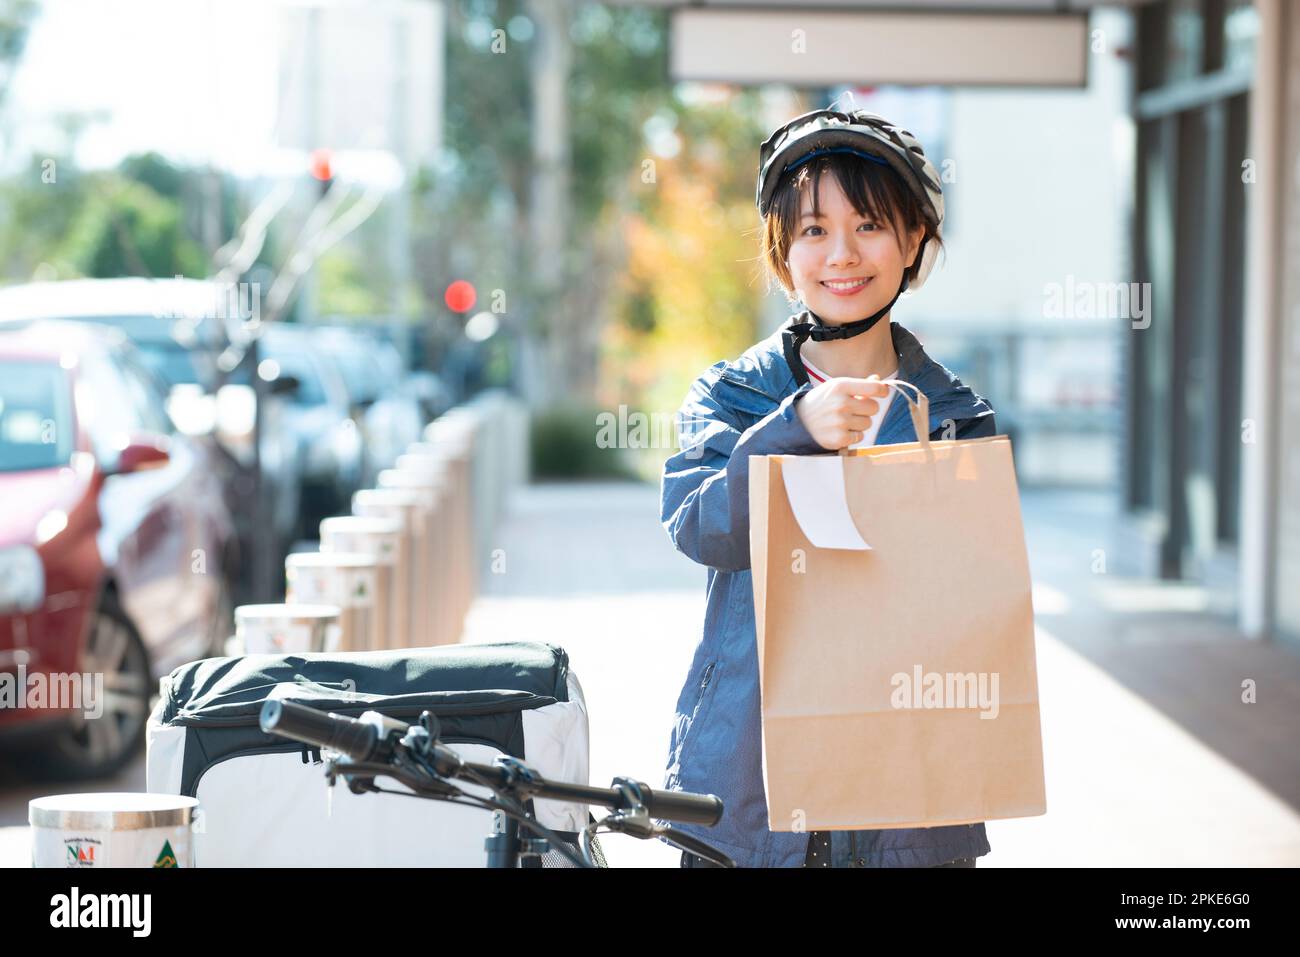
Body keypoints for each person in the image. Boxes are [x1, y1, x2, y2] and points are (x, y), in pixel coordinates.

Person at [660, 107, 996, 868]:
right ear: (783, 256)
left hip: (911, 805)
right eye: (812, 230)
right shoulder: (732, 397)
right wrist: (793, 429)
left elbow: (974, 598)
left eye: (870, 224)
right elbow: (702, 526)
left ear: (913, 241)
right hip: (750, 796)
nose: (841, 254)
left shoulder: (955, 418)